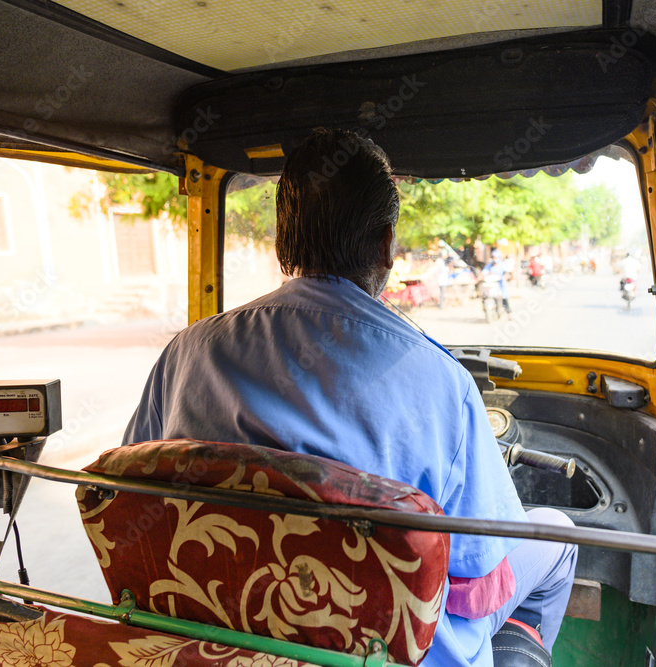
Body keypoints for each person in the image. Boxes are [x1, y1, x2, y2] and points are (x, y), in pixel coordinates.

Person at [123, 128, 575, 667]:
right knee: (561, 537)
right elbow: (477, 584)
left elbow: (129, 494)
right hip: (390, 652)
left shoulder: (188, 352)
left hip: (216, 636)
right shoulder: (440, 380)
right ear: (386, 244)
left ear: (280, 240)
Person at [481, 250, 513, 319]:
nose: (494, 258)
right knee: (484, 296)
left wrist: (504, 277)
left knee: (504, 296)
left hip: (499, 285)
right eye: (493, 257)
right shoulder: (489, 266)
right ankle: (485, 309)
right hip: (491, 285)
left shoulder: (502, 265)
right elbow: (483, 273)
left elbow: (507, 273)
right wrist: (480, 278)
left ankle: (509, 313)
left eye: (496, 257)